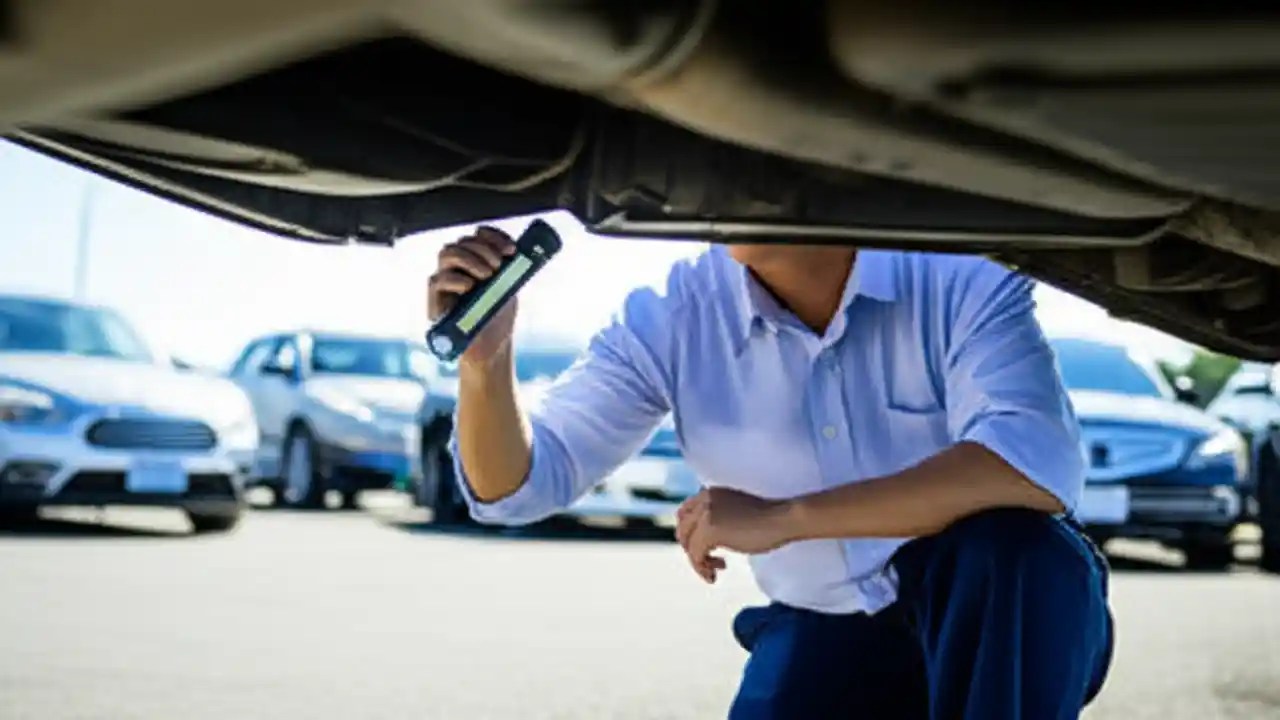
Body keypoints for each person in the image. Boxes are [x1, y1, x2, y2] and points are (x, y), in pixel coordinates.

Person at [427, 226, 1113, 720]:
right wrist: (485, 364)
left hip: (994, 622)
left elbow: (1034, 463)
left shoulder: (960, 274)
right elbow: (513, 491)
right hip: (826, 625)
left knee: (1021, 552)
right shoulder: (672, 317)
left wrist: (784, 518)